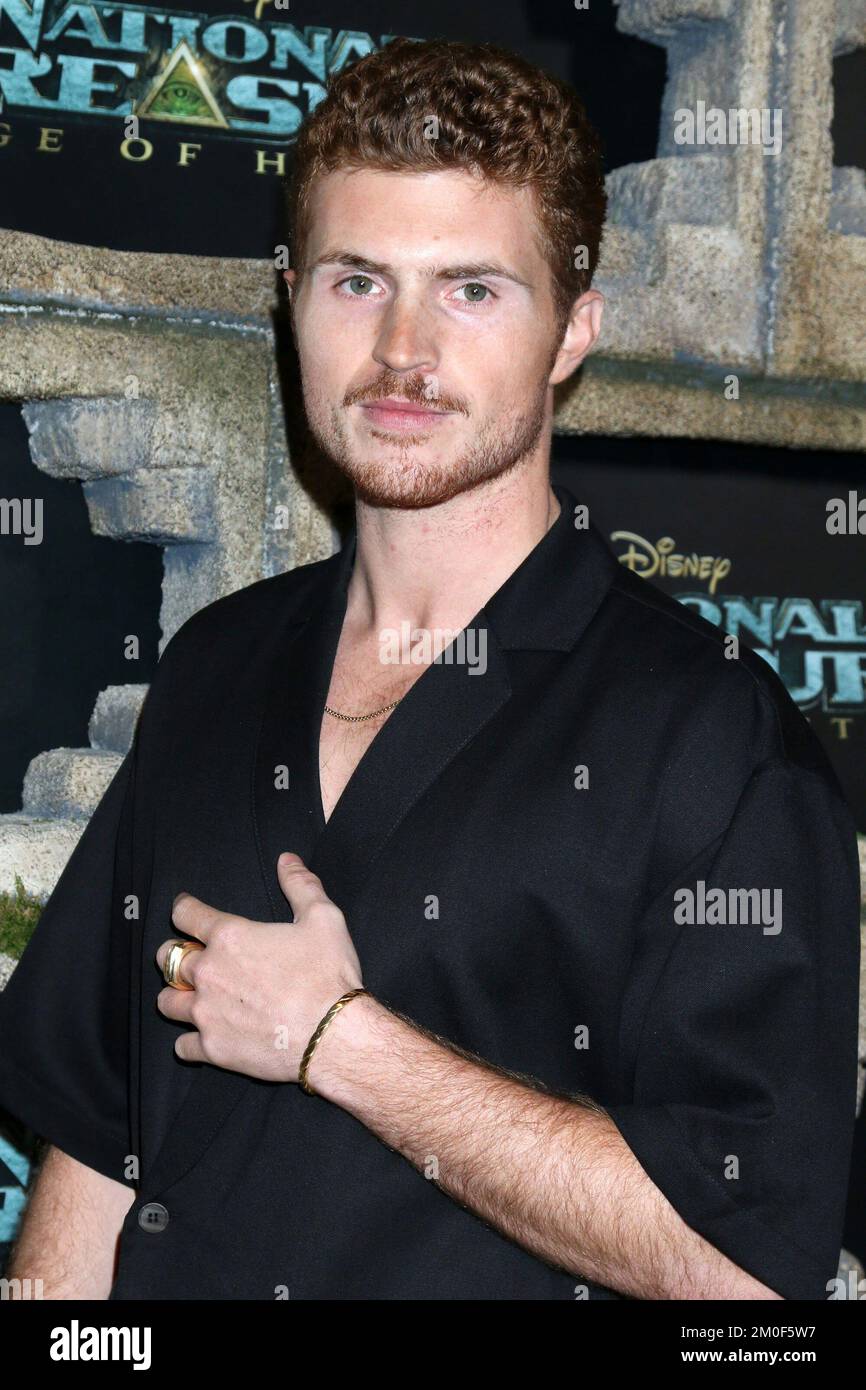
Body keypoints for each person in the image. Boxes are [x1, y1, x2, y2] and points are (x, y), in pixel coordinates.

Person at [0, 37, 859, 1301]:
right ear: (288, 299)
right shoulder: (218, 663)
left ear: (571, 331)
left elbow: (745, 1267)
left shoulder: (709, 738)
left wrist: (344, 1046)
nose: (402, 350)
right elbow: (98, 1138)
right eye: (357, 281)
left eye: (470, 290)